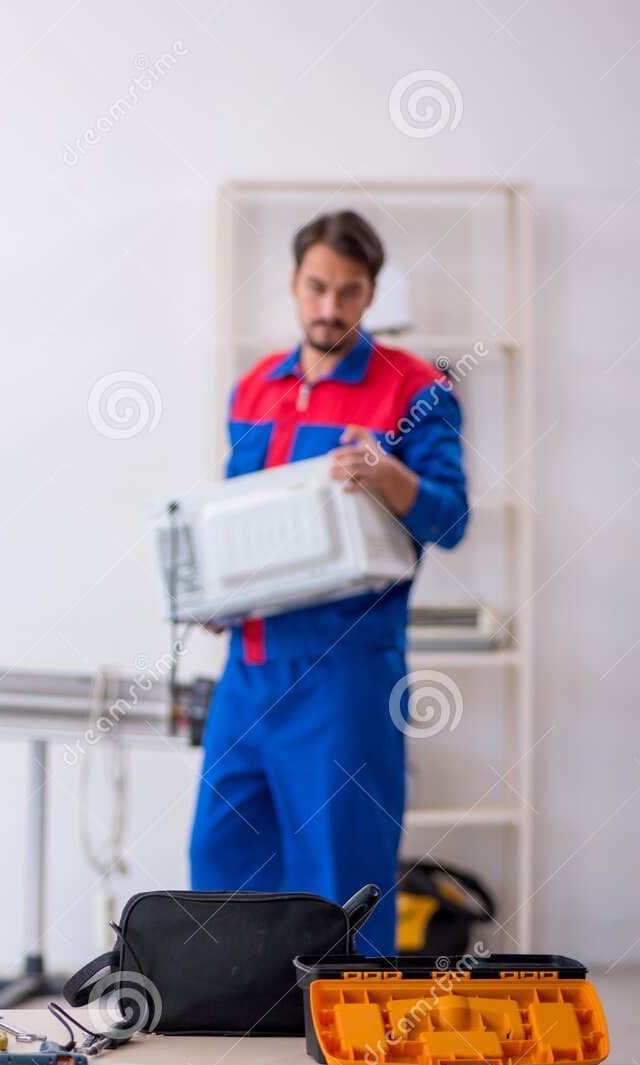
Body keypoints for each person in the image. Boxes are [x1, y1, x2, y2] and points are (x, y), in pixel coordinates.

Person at [189, 210, 469, 954]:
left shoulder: (416, 391)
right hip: (246, 675)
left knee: (341, 888)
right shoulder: (254, 389)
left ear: (371, 294)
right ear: (292, 283)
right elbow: (235, 522)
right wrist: (216, 595)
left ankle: (346, 1057)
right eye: (317, 288)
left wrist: (388, 472)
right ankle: (242, 1046)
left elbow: (449, 520)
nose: (329, 309)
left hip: (343, 677)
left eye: (348, 292)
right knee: (221, 873)